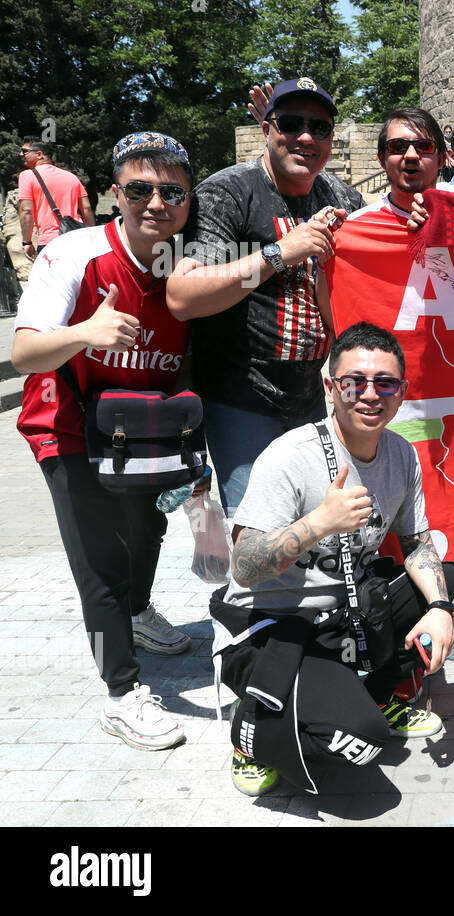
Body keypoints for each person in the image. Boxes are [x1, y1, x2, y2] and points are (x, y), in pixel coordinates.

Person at [215, 322, 454, 796]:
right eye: (354, 382)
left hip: (345, 614)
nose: (370, 395)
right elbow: (243, 568)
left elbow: (416, 543)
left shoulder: (401, 453)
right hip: (276, 623)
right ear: (331, 387)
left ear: (402, 391)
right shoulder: (290, 456)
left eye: (385, 383)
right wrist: (319, 523)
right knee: (360, 741)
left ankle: (379, 690)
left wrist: (440, 609)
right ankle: (253, 729)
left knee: (448, 583)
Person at [11, 132, 197, 750]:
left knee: (146, 530)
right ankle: (122, 694)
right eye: (139, 188)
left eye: (171, 191)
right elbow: (22, 352)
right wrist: (85, 330)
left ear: (188, 197)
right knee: (99, 560)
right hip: (68, 426)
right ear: (115, 194)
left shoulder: (185, 263)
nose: (156, 202)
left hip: (145, 427)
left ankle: (138, 613)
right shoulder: (75, 254)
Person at [334, 107, 454, 655]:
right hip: (393, 397)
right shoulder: (353, 232)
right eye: (396, 148)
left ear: (442, 156)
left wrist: (450, 231)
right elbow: (331, 308)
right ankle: (417, 609)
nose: (410, 157)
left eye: (422, 148)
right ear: (382, 158)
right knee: (405, 501)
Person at [167, 77, 364, 518]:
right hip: (241, 398)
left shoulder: (342, 198)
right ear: (267, 130)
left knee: (320, 526)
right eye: (291, 124)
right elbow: (184, 297)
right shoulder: (228, 193)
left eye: (320, 127)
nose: (306, 137)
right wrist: (280, 253)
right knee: (259, 530)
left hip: (314, 396)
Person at [17, 139, 93, 258]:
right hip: (77, 238)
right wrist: (91, 234)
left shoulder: (27, 176)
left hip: (50, 241)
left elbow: (26, 211)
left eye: (24, 151)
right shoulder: (71, 177)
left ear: (39, 154)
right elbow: (87, 208)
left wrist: (27, 242)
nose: (21, 154)